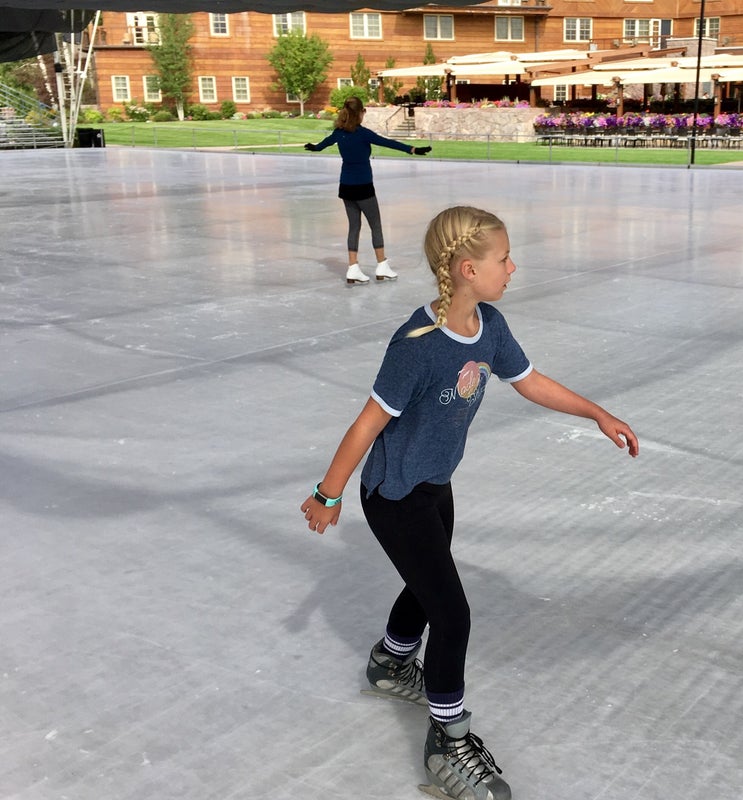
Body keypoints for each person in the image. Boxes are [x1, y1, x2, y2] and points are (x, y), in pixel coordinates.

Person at [300, 205, 639, 800]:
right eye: (502, 258)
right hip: (394, 493)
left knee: (429, 585)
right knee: (452, 612)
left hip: (435, 483)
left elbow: (529, 380)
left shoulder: (490, 325)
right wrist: (327, 495)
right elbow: (366, 425)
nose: (513, 266)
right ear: (466, 269)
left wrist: (596, 413)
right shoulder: (418, 345)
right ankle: (448, 741)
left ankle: (390, 662)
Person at [304, 96, 432, 286]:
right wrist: (413, 149)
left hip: (346, 187)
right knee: (376, 226)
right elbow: (388, 143)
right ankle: (382, 266)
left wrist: (313, 147)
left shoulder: (339, 133)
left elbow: (322, 145)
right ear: (360, 113)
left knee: (354, 227)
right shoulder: (363, 133)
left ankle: (352, 268)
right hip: (363, 187)